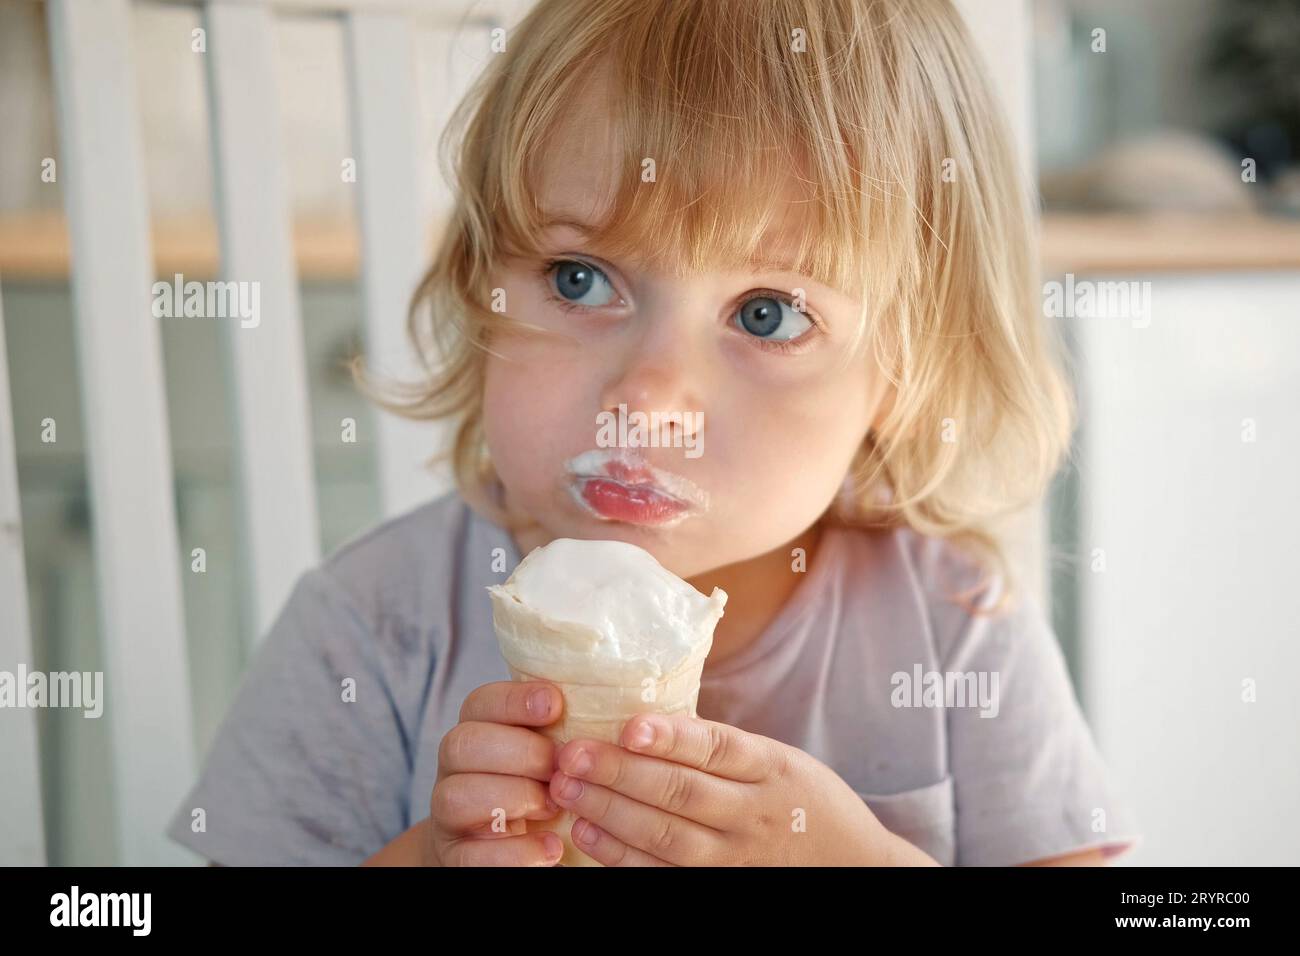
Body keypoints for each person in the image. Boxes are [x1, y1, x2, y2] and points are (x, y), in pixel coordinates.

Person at [167, 0, 1140, 867]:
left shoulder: (955, 627)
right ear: (481, 283)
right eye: (580, 278)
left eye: (765, 314)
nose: (648, 398)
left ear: (904, 367)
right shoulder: (372, 627)